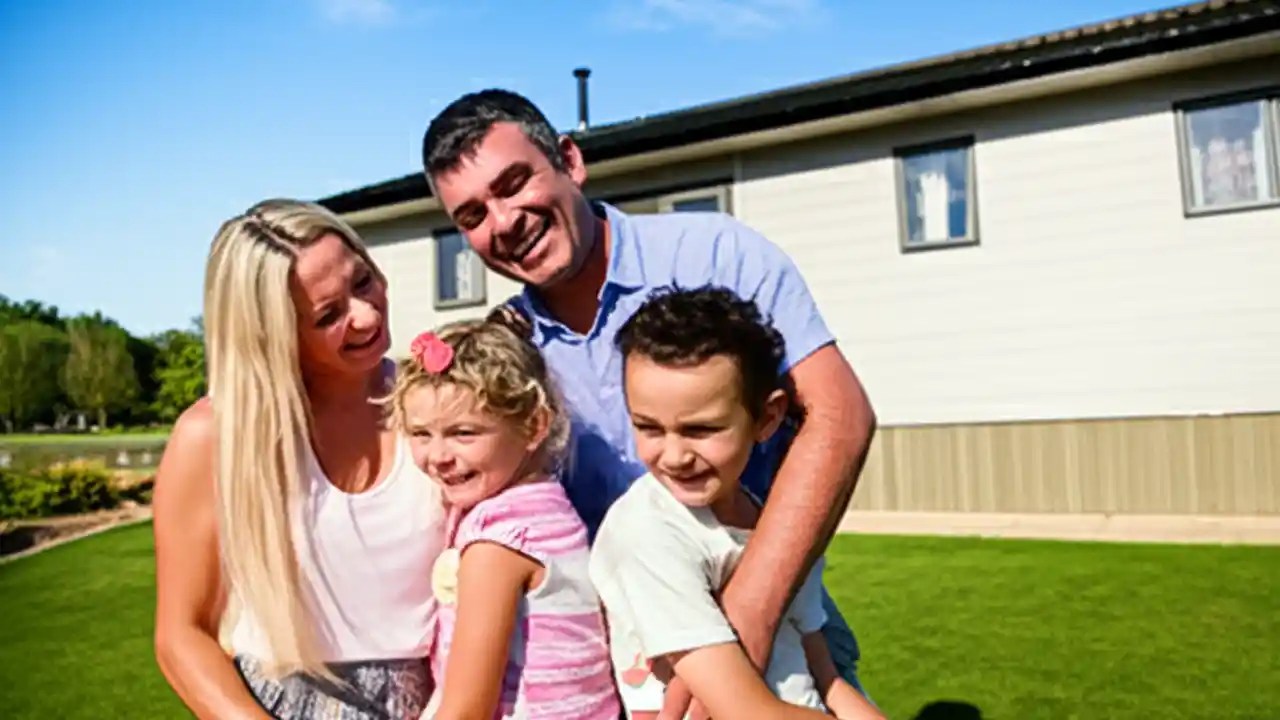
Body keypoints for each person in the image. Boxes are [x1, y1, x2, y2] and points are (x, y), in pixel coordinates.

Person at [421, 89, 879, 715]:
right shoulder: (510, 352)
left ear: (570, 161)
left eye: (515, 183)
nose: (503, 222)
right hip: (637, 666)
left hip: (778, 617)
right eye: (471, 215)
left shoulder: (715, 253)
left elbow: (839, 415)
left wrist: (745, 617)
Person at [152, 199, 447, 719]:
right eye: (328, 315)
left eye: (362, 281)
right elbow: (182, 634)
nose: (368, 315)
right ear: (272, 334)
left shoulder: (436, 403)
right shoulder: (213, 437)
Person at [590, 286, 884, 720]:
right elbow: (747, 712)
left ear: (766, 419)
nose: (674, 456)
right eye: (649, 427)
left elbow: (827, 676)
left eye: (701, 429)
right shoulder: (647, 533)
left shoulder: (769, 523)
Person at [382, 317, 620, 720]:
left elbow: (465, 710)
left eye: (463, 433)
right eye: (421, 434)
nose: (438, 456)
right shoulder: (546, 509)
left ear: (533, 426)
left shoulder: (501, 542)